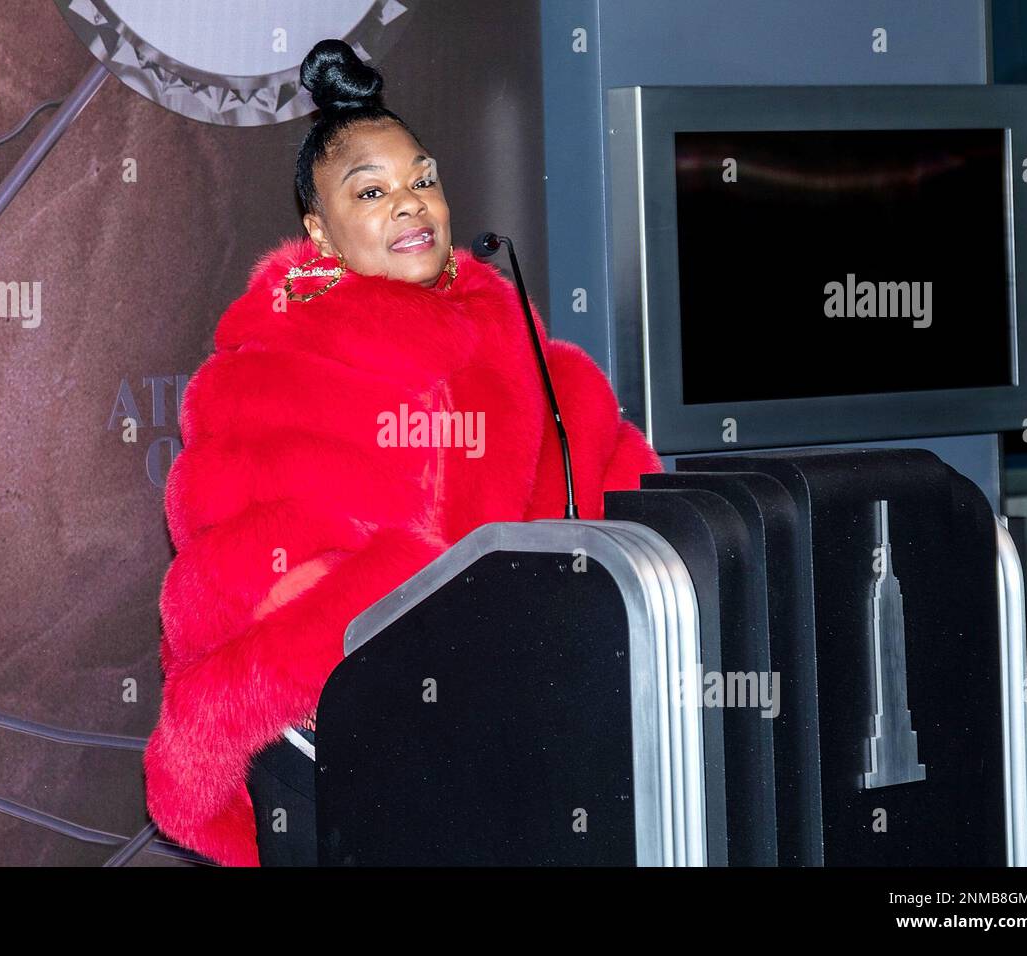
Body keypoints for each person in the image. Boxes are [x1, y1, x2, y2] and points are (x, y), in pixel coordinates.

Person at [142, 38, 663, 866]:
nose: (412, 204)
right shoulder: (264, 374)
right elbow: (237, 574)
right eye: (373, 191)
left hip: (531, 752)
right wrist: (362, 634)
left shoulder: (536, 364)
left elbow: (621, 500)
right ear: (319, 229)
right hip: (352, 760)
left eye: (423, 180)